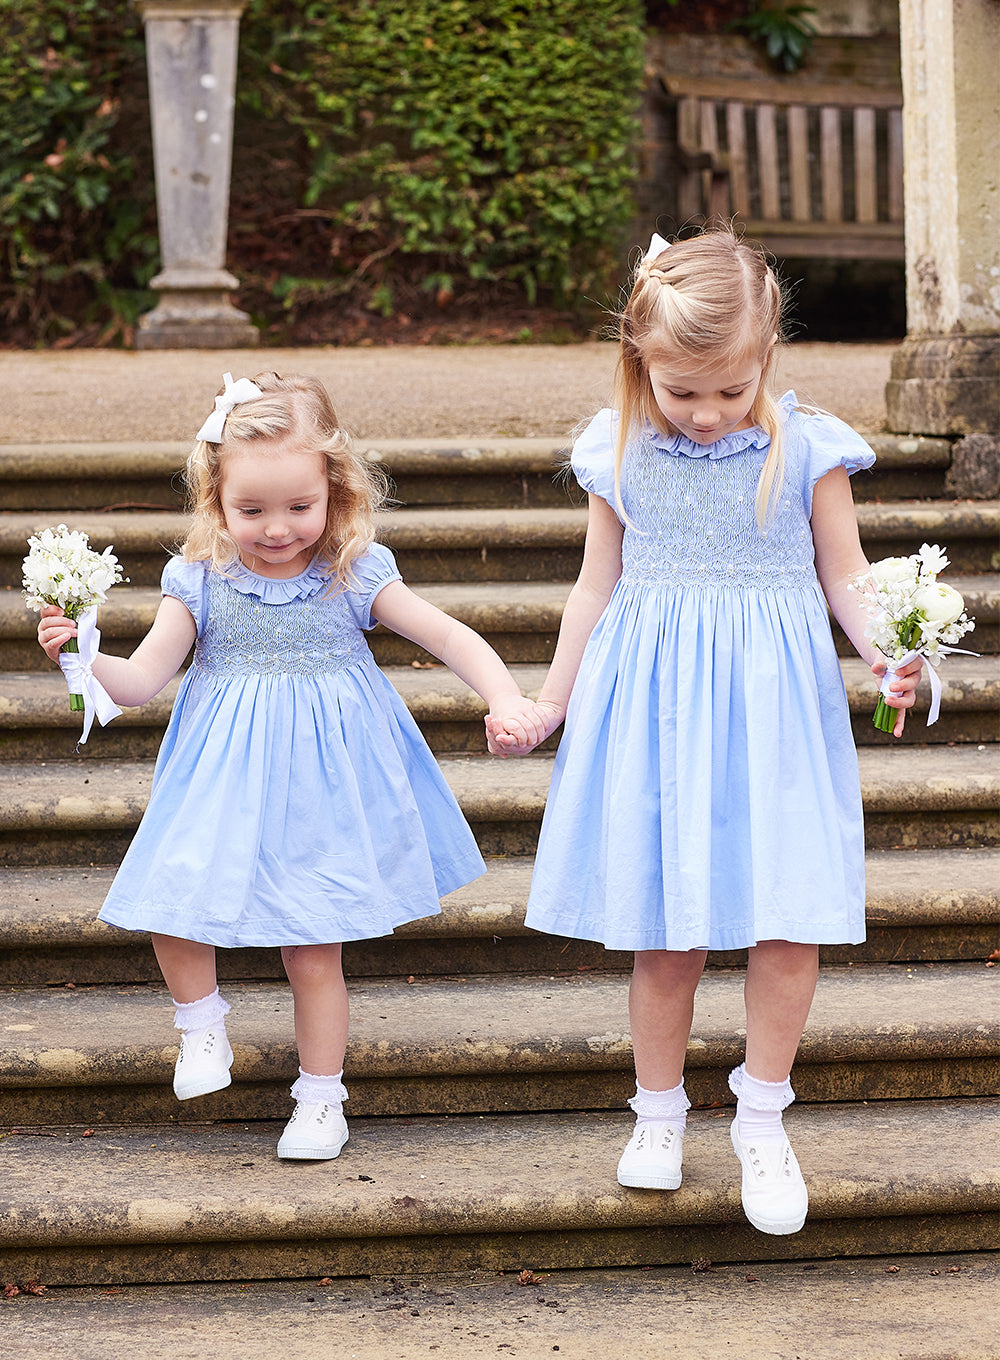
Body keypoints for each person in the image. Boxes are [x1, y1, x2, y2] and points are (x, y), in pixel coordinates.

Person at [486, 230, 922, 1236]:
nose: (708, 411)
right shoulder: (620, 448)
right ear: (639, 357)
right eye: (684, 390)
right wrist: (548, 701)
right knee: (666, 927)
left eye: (732, 389)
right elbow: (594, 586)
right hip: (656, 707)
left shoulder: (807, 449)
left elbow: (843, 573)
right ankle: (658, 1110)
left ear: (767, 356)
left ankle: (762, 1112)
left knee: (790, 915)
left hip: (773, 708)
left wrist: (886, 650)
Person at [38, 371, 543, 1161]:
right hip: (223, 779)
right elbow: (137, 685)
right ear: (215, 500)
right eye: (252, 510)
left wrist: (509, 696)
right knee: (169, 898)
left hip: (325, 789)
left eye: (299, 508)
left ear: (335, 491)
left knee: (314, 947)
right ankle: (201, 1025)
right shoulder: (198, 581)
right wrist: (82, 655)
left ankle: (319, 1098)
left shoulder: (354, 574)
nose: (277, 529)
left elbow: (451, 638)